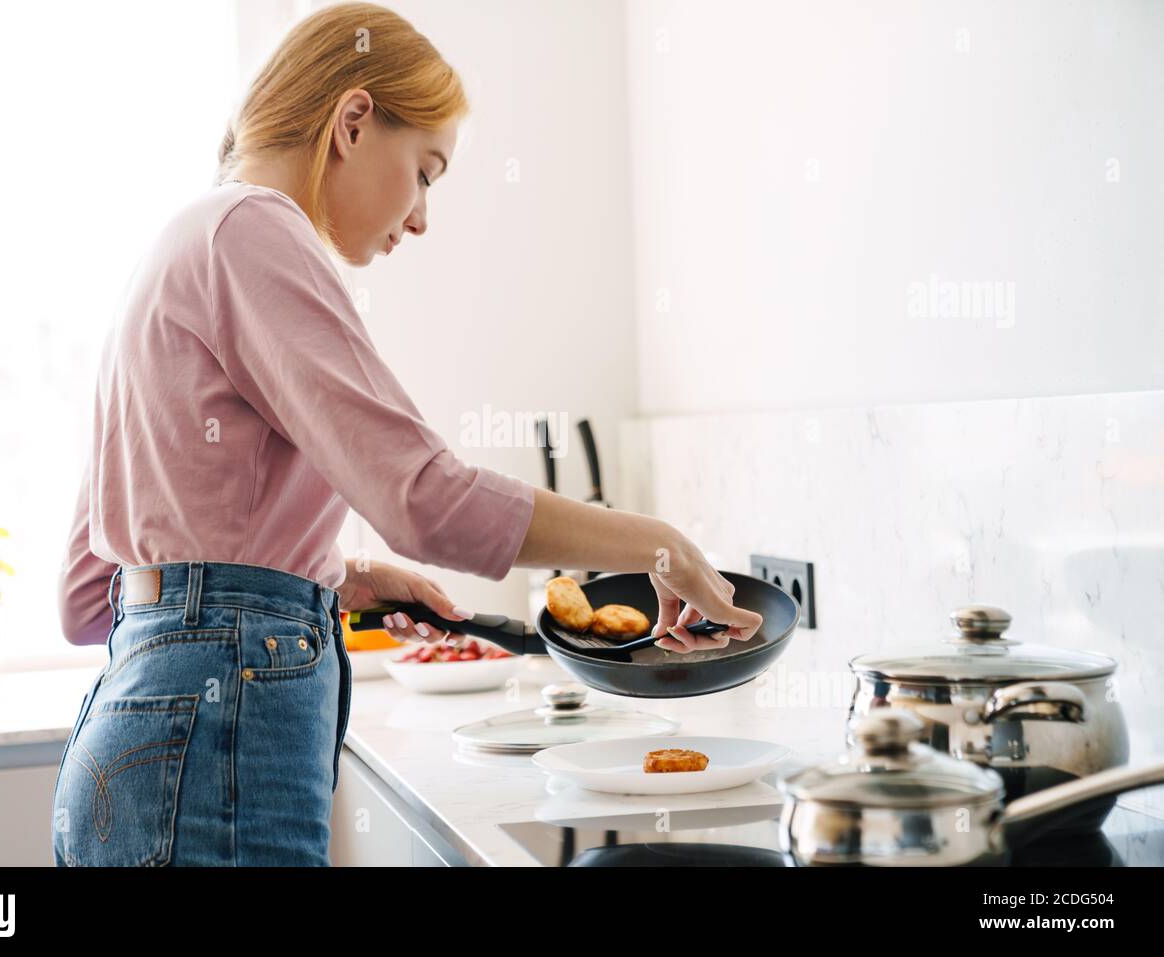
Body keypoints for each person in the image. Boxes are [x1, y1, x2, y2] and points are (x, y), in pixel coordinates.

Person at [51, 1, 761, 867]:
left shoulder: (177, 247)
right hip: (213, 743)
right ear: (353, 120)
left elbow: (90, 600)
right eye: (426, 170)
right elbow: (424, 499)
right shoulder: (256, 232)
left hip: (128, 754)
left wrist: (329, 579)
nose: (421, 215)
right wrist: (658, 543)